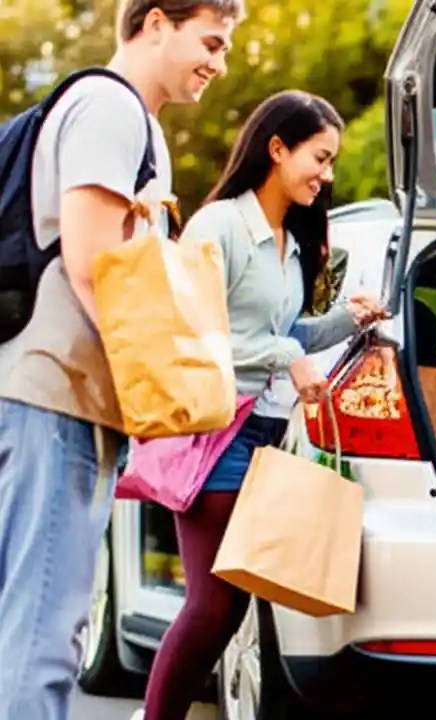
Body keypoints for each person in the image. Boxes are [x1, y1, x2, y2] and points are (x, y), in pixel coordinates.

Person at [0, 1, 244, 717]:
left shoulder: (126, 119)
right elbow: (94, 263)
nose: (219, 64)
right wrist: (162, 390)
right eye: (210, 41)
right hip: (55, 397)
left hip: (46, 392)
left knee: (26, 619)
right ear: (156, 22)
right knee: (42, 632)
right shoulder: (110, 108)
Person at [138, 90, 386, 720]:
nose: (327, 175)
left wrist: (344, 322)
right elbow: (195, 329)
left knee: (231, 605)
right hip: (215, 433)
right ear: (277, 149)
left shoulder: (291, 241)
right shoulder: (218, 225)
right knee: (212, 605)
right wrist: (284, 354)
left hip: (267, 436)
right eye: (320, 158)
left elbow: (287, 333)